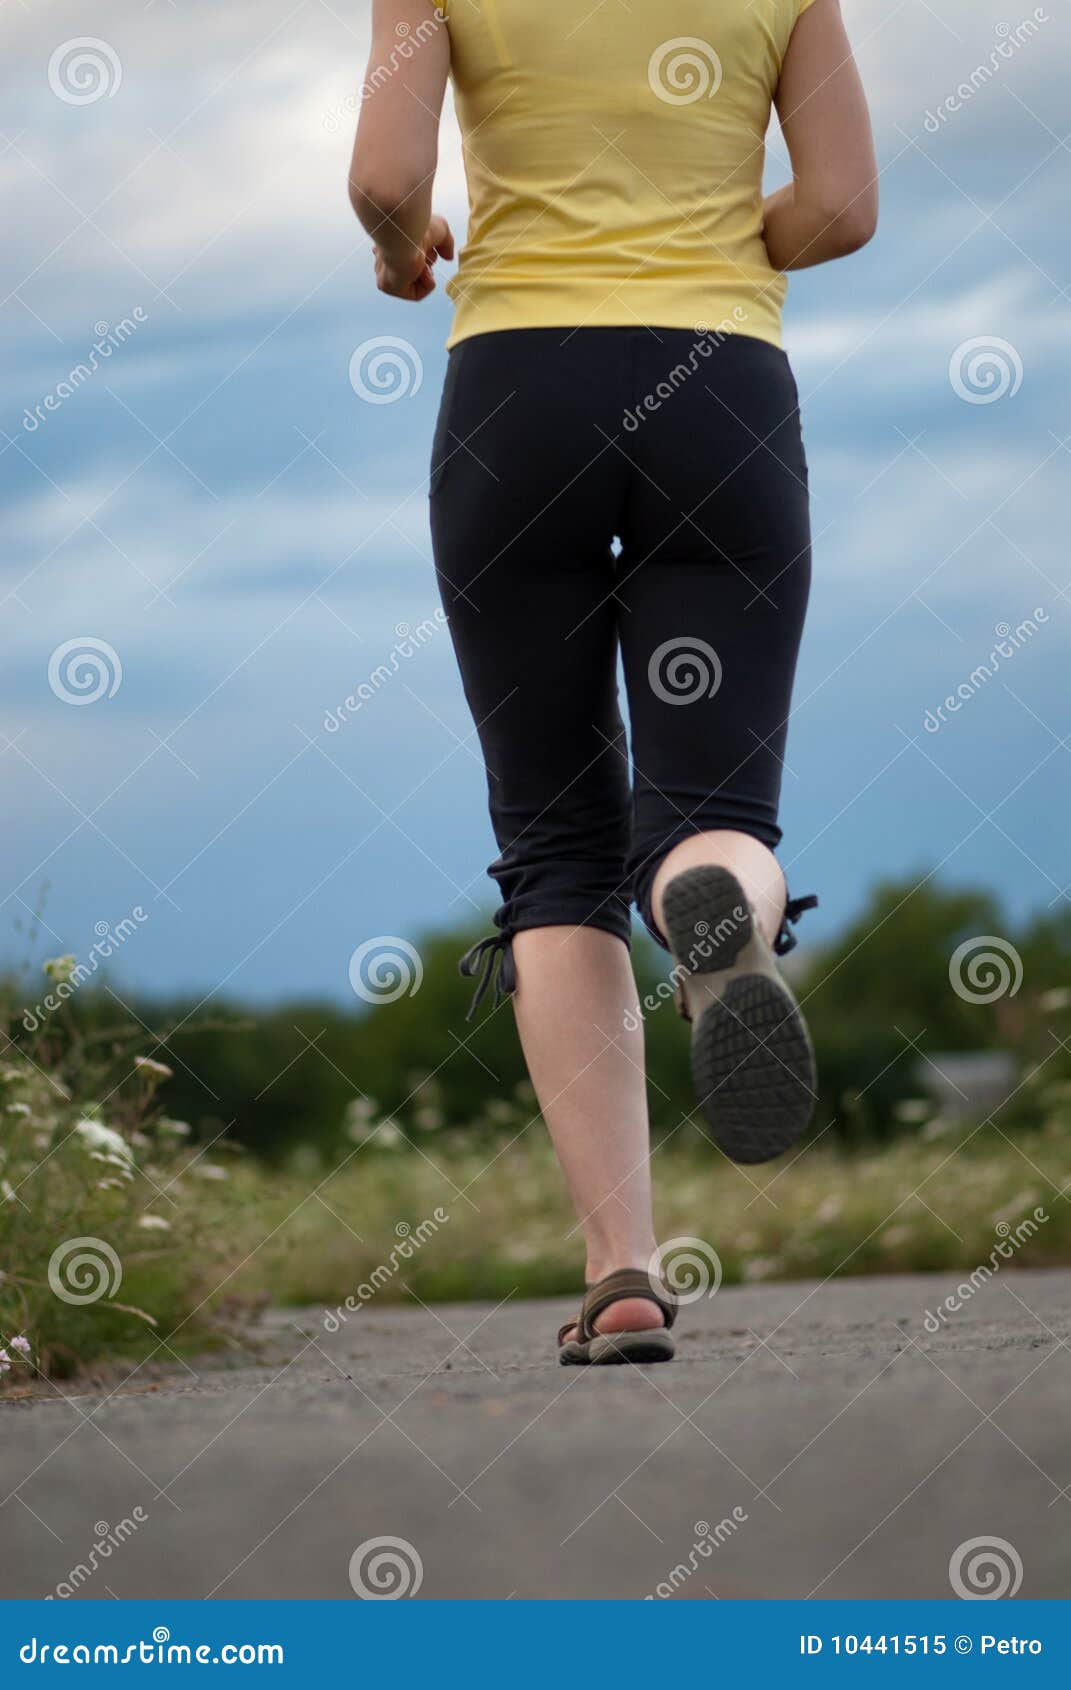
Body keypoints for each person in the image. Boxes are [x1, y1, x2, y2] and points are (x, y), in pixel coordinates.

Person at [349, 0, 877, 1364]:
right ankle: (724, 924)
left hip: (520, 400)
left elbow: (387, 179)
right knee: (715, 814)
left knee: (555, 843)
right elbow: (843, 204)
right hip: (720, 392)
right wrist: (710, 252)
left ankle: (624, 1272)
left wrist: (407, 255)